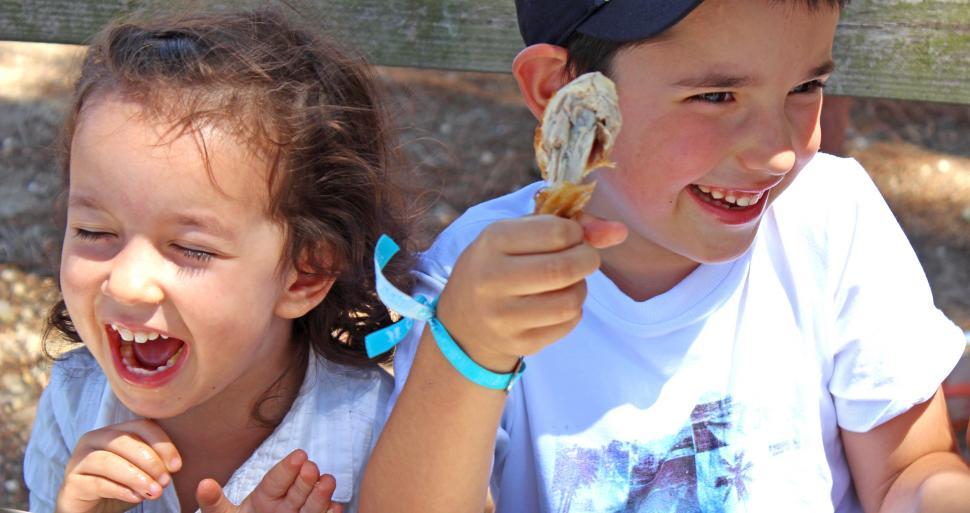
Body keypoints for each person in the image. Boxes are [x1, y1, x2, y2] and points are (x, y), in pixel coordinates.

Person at [359, 1, 970, 512]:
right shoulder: (476, 286)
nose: (777, 152)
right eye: (716, 95)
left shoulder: (831, 219)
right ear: (565, 93)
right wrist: (470, 352)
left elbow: (906, 473)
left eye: (804, 87)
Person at [24, 7, 413, 513]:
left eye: (190, 248)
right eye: (93, 231)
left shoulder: (378, 434)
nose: (126, 283)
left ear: (305, 274)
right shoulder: (74, 402)